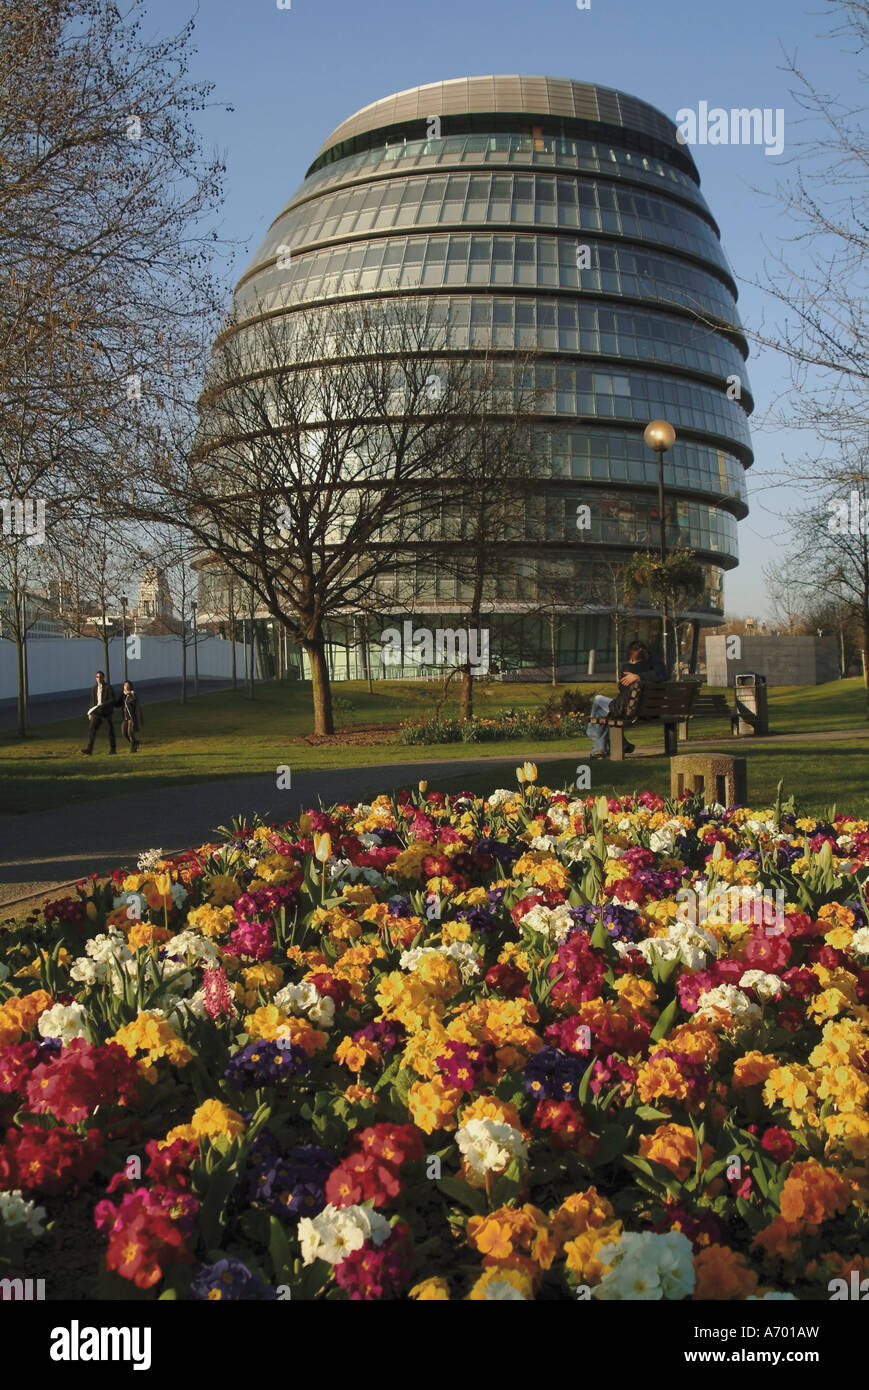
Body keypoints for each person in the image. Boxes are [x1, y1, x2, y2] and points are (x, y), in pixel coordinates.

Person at [586, 641, 665, 758]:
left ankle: (595, 736)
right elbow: (662, 675)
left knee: (598, 701)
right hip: (648, 710)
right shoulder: (652, 667)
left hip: (630, 710)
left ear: (632, 657)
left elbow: (621, 688)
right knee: (602, 712)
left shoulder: (629, 668)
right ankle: (617, 745)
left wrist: (636, 676)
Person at [82, 671, 117, 754]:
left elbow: (112, 699)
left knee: (110, 731)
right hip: (96, 713)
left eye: (100, 677)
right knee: (91, 730)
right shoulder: (94, 688)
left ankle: (113, 749)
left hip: (106, 713)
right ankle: (89, 749)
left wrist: (103, 704)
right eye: (97, 677)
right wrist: (90, 712)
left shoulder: (108, 687)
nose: (98, 678)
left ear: (103, 678)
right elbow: (92, 701)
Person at [116, 680, 144, 752]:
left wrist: (137, 719)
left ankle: (133, 749)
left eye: (128, 685)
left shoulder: (133, 695)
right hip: (125, 718)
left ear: (131, 687)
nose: (126, 687)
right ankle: (135, 742)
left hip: (131, 718)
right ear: (123, 687)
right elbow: (118, 704)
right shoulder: (123, 695)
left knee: (130, 732)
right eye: (125, 685)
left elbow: (136, 706)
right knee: (124, 733)